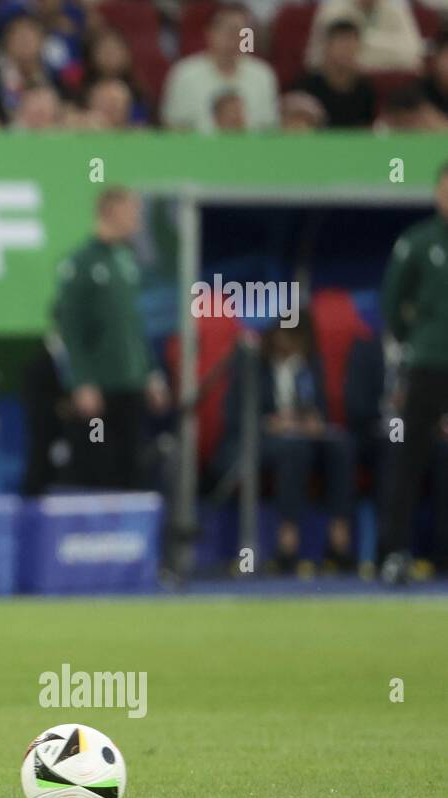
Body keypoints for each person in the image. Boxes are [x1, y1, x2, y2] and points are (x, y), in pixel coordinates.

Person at [50, 187, 169, 489]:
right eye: (132, 212)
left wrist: (151, 372)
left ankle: (130, 532)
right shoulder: (82, 262)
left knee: (132, 468)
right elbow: (70, 327)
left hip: (131, 384)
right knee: (97, 465)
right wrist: (81, 381)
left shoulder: (127, 260)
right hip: (99, 388)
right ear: (112, 212)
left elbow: (135, 323)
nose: (138, 220)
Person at [222, 321, 357, 573]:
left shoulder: (309, 364)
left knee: (340, 446)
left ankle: (339, 538)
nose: (293, 342)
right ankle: (288, 541)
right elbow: (234, 415)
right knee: (294, 450)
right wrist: (270, 422)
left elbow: (320, 410)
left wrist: (313, 421)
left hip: (304, 438)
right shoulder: (251, 361)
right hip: (261, 441)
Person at [378, 162, 448, 584]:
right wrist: (416, 339)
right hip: (427, 365)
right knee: (409, 457)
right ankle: (393, 552)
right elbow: (392, 303)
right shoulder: (419, 242)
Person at [161, 3, 279, 132]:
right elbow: (173, 129)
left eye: (245, 32)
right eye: (230, 31)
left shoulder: (263, 75)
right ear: (210, 33)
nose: (237, 38)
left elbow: (269, 130)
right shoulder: (184, 74)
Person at [296, 19, 377, 128]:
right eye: (340, 43)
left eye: (350, 44)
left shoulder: (365, 89)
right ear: (327, 47)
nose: (345, 50)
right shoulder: (307, 87)